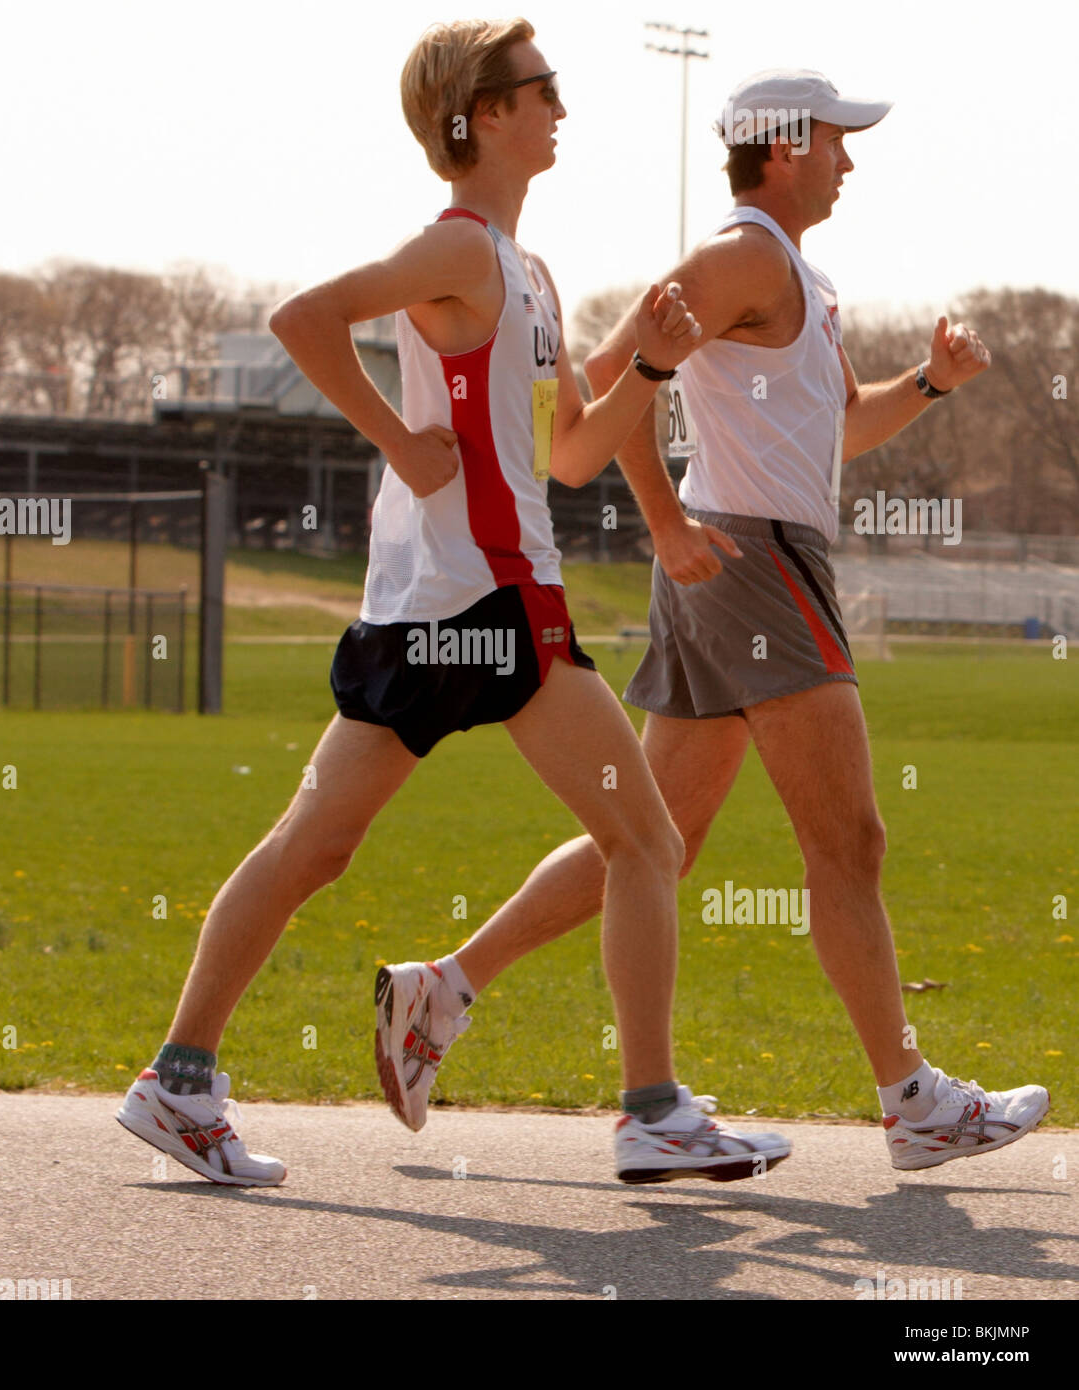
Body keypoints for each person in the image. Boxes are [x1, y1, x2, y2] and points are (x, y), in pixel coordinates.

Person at [117, 19, 791, 1186]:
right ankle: (651, 1109)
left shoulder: (527, 275)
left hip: (434, 609)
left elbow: (571, 453)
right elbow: (302, 318)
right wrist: (396, 439)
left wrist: (652, 366)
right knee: (646, 838)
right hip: (491, 603)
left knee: (313, 846)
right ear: (477, 117)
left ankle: (179, 1078)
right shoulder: (463, 252)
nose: (563, 108)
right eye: (542, 90)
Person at [380, 68, 1049, 1172]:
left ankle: (441, 990)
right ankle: (913, 1100)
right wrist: (661, 520)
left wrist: (928, 383)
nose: (851, 160)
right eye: (839, 141)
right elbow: (605, 379)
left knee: (653, 842)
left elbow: (839, 432)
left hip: (748, 560)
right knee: (850, 840)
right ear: (783, 149)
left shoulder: (793, 272)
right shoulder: (742, 255)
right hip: (753, 565)